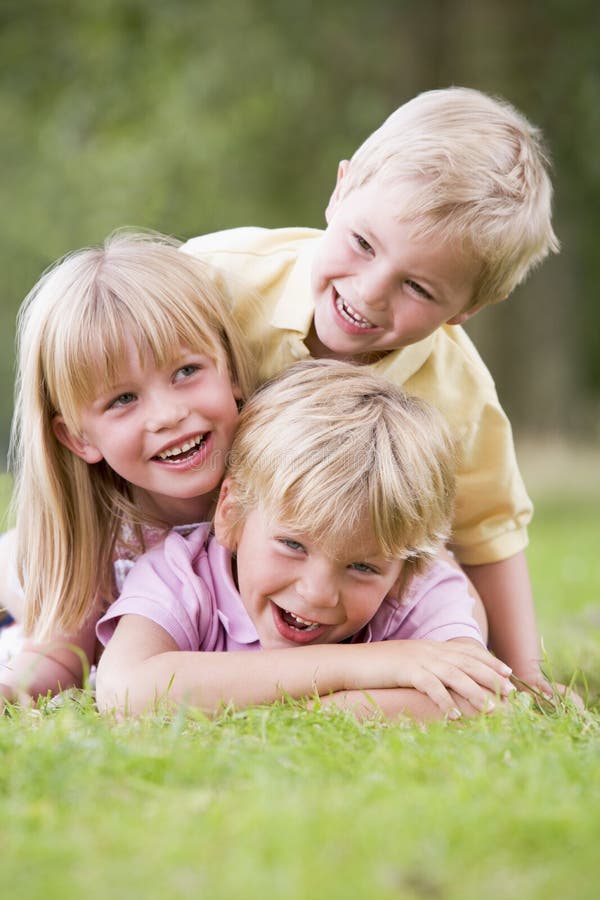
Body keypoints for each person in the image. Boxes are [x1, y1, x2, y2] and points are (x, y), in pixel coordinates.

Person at [181, 86, 560, 695]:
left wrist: (527, 672)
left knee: (452, 590)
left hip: (315, 580)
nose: (370, 290)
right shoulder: (211, 281)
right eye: (362, 244)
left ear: (470, 308)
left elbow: (488, 531)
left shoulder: (456, 391)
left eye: (419, 287)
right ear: (341, 190)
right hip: (166, 541)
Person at [95, 360, 515, 722]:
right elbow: (125, 690)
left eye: (363, 567)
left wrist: (258, 709)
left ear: (406, 571)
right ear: (230, 512)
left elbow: (478, 702)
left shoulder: (418, 586)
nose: (316, 593)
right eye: (293, 545)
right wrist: (364, 667)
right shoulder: (181, 574)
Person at [0, 231, 256, 706]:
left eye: (186, 371)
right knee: (17, 578)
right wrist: (13, 688)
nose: (167, 415)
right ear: (78, 437)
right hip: (28, 575)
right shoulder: (100, 530)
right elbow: (60, 658)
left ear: (231, 371)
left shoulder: (283, 483)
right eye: (123, 399)